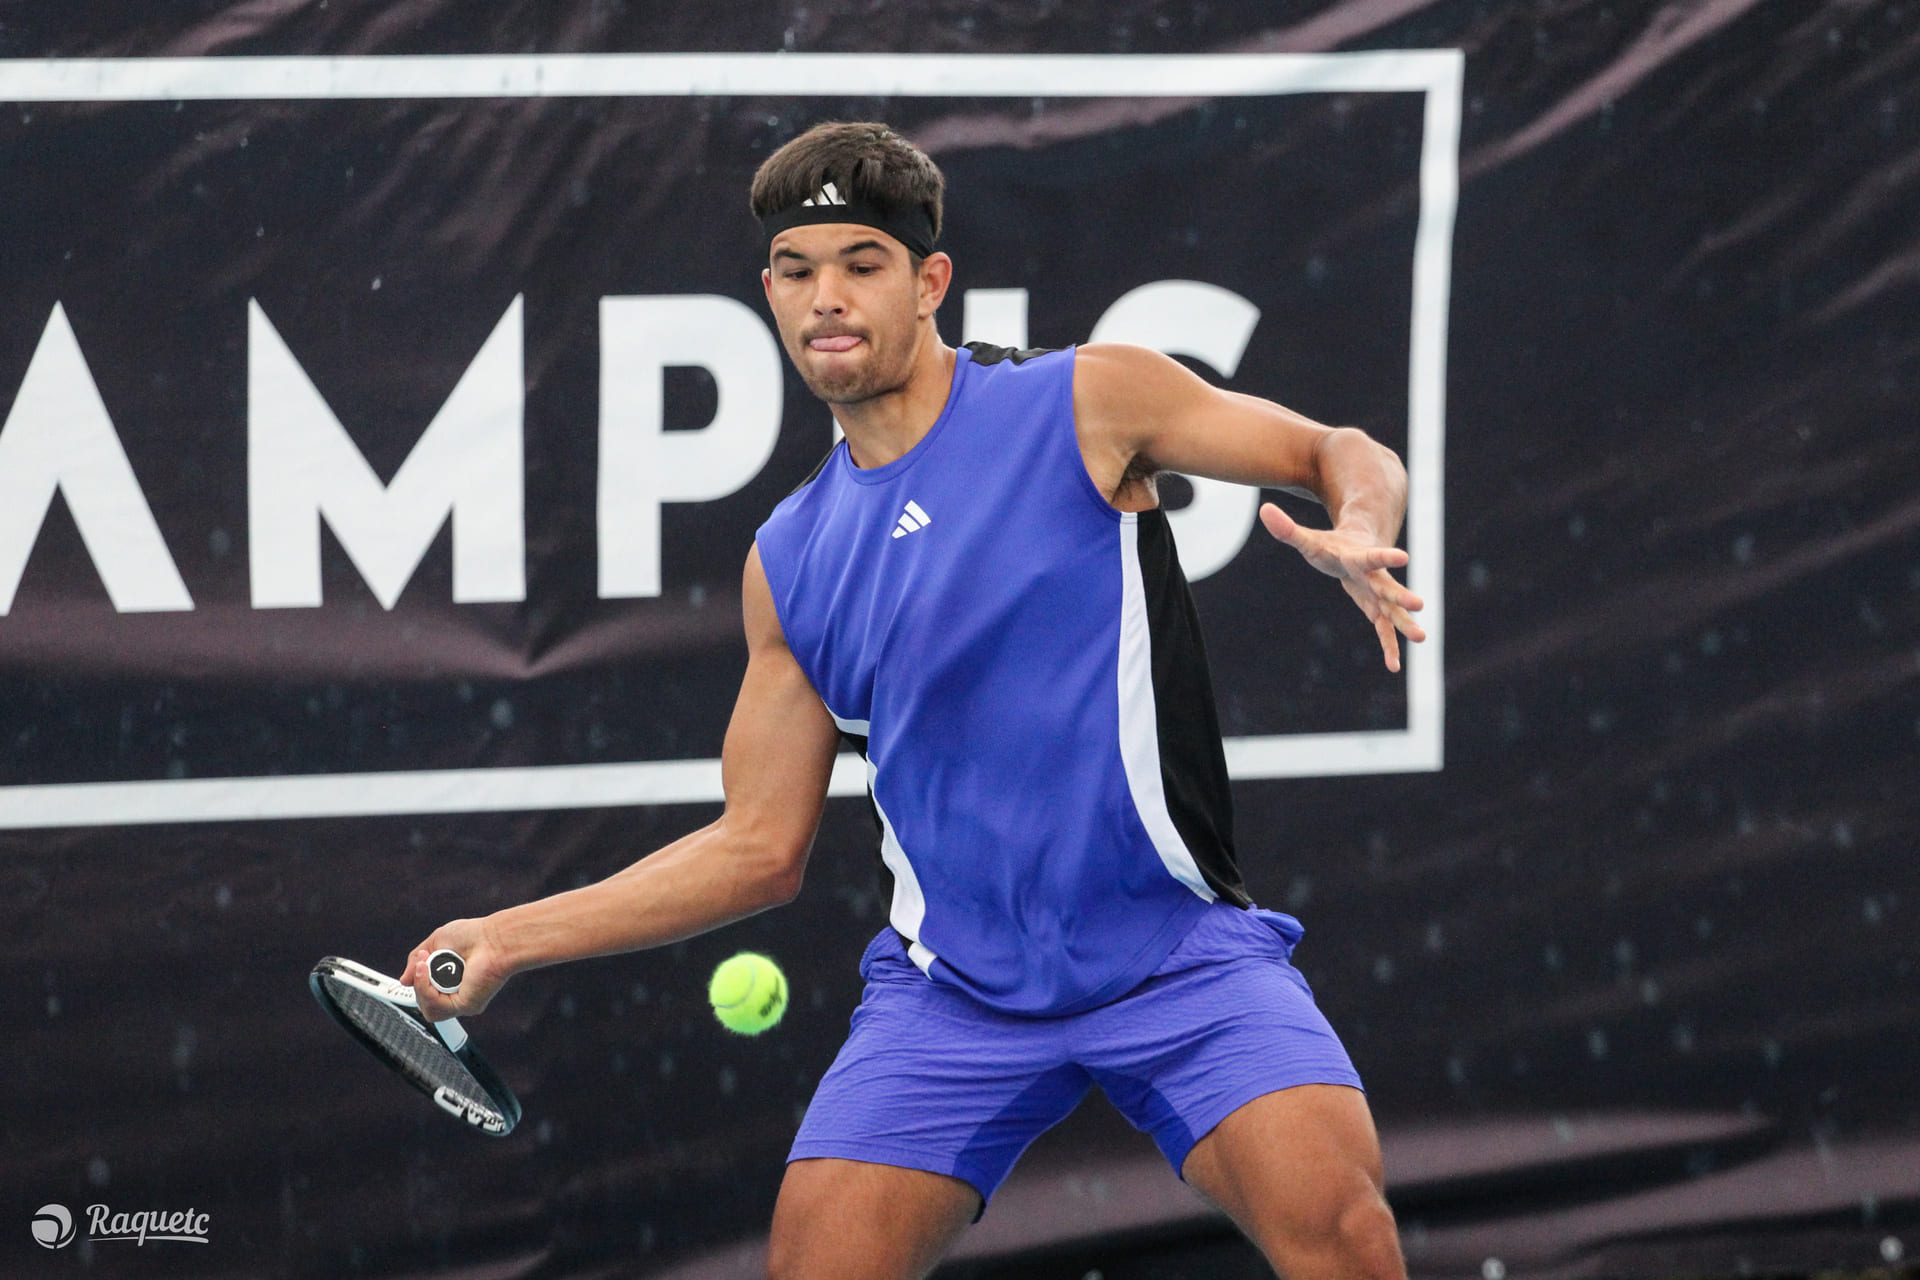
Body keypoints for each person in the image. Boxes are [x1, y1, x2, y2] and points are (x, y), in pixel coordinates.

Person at [407, 120, 1424, 1280]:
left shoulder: (1088, 403)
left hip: (1179, 958)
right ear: (771, 293)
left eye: (861, 262)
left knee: (1346, 1234)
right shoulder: (787, 561)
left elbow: (1340, 448)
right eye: (797, 270)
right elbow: (755, 847)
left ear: (931, 280)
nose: (825, 297)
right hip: (954, 999)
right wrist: (507, 936)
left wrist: (1359, 527)